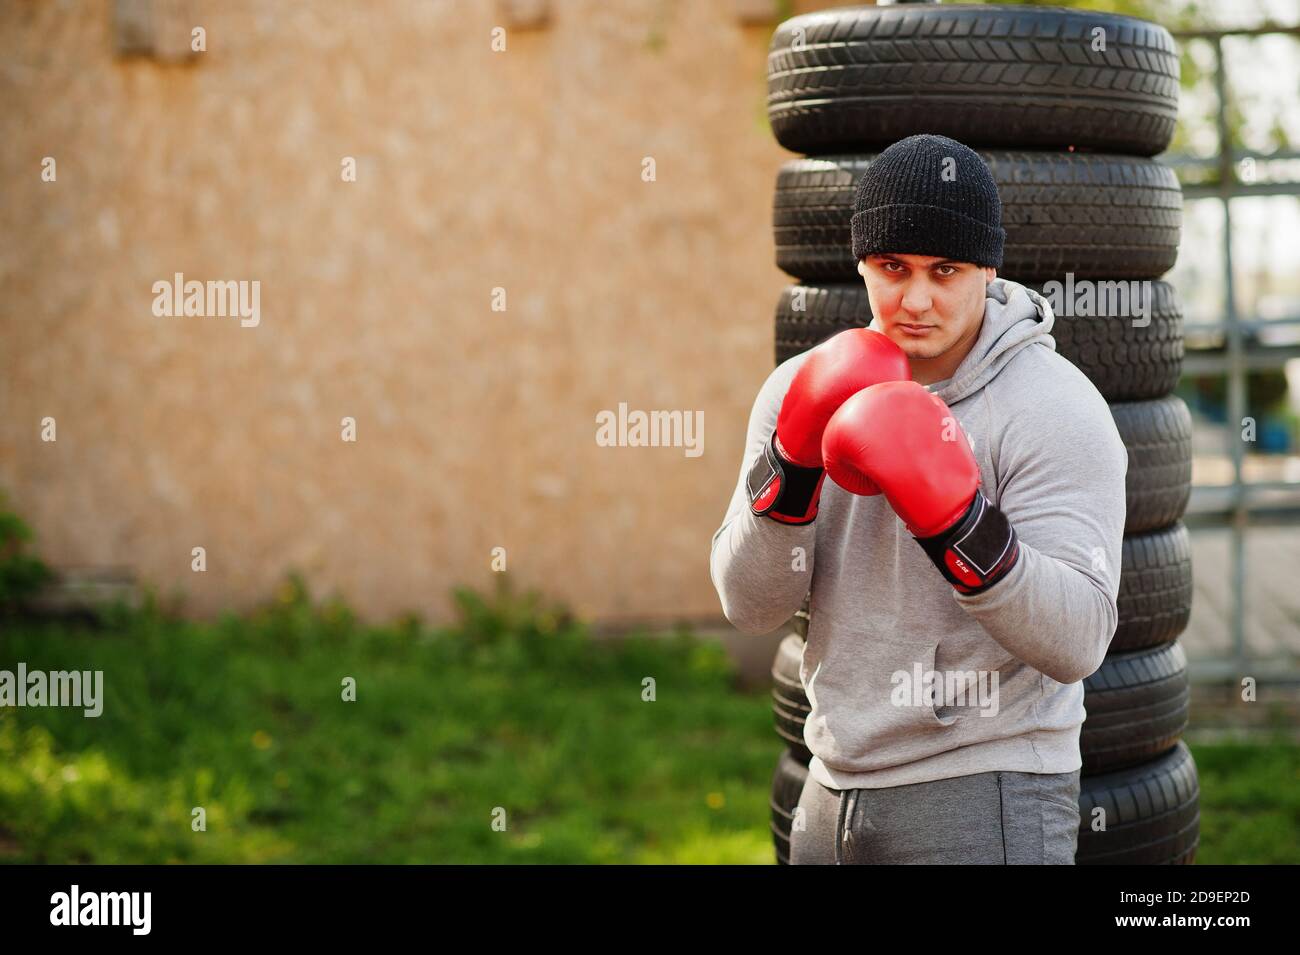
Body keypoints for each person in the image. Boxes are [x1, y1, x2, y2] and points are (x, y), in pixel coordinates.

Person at [710, 134, 1128, 864]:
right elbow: (750, 606)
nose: (916, 299)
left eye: (947, 270)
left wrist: (960, 526)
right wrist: (792, 469)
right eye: (893, 267)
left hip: (985, 786)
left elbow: (1080, 639)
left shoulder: (1054, 407)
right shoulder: (798, 389)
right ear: (862, 261)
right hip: (828, 788)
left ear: (987, 267)